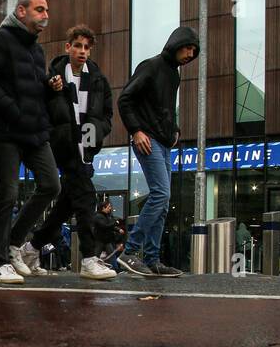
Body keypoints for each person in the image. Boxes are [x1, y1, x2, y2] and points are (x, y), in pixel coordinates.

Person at [0, 0, 64, 286]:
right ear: (21, 11)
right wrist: (12, 111)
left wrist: (50, 86)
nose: (45, 15)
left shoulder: (37, 51)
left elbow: (33, 88)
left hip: (34, 131)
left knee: (51, 184)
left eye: (47, 9)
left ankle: (13, 242)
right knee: (7, 193)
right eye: (39, 9)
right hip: (5, 130)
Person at [22, 25, 117, 281]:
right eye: (78, 46)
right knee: (86, 197)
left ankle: (31, 248)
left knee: (66, 204)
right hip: (62, 147)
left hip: (85, 148)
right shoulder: (54, 77)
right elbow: (42, 111)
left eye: (87, 47)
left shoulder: (98, 80)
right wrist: (52, 92)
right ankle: (88, 258)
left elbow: (107, 115)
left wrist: (95, 134)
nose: (82, 51)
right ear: (68, 47)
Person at [117, 26, 201, 277]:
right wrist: (136, 131)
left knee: (163, 203)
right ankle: (130, 252)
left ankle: (152, 259)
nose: (190, 54)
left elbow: (165, 107)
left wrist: (174, 128)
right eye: (188, 48)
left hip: (163, 142)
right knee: (161, 194)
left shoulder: (174, 75)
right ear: (176, 44)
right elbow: (125, 99)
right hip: (147, 139)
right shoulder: (150, 66)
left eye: (194, 52)